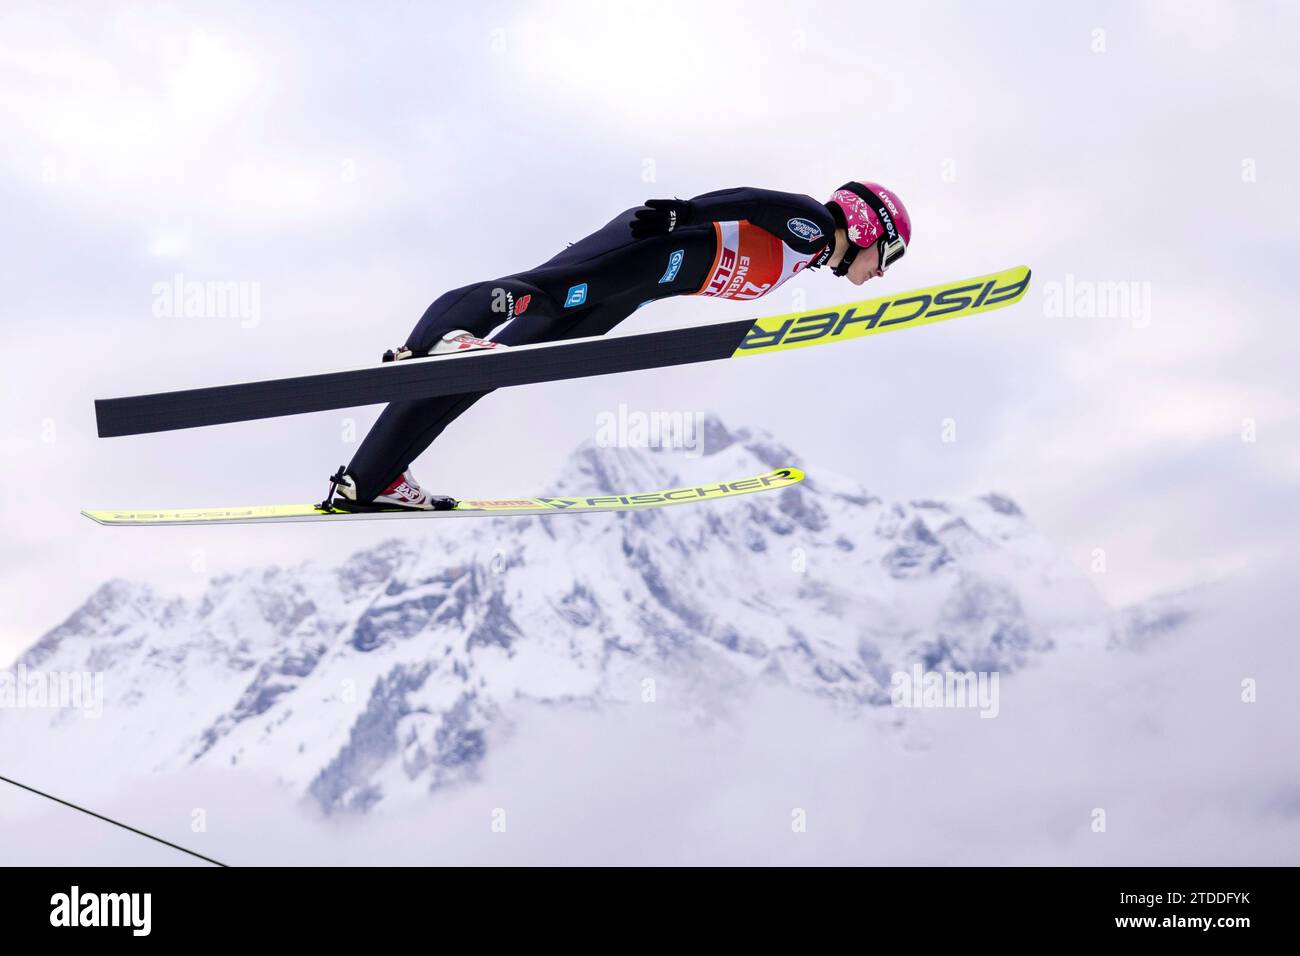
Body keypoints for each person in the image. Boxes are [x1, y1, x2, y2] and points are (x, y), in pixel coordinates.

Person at [329, 181, 912, 511]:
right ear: (867, 227)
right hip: (651, 247)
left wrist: (640, 297)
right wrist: (686, 212)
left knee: (491, 371)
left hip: (639, 286)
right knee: (544, 292)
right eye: (886, 254)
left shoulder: (806, 255)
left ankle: (370, 478)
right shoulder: (811, 225)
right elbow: (754, 201)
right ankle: (433, 341)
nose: (880, 271)